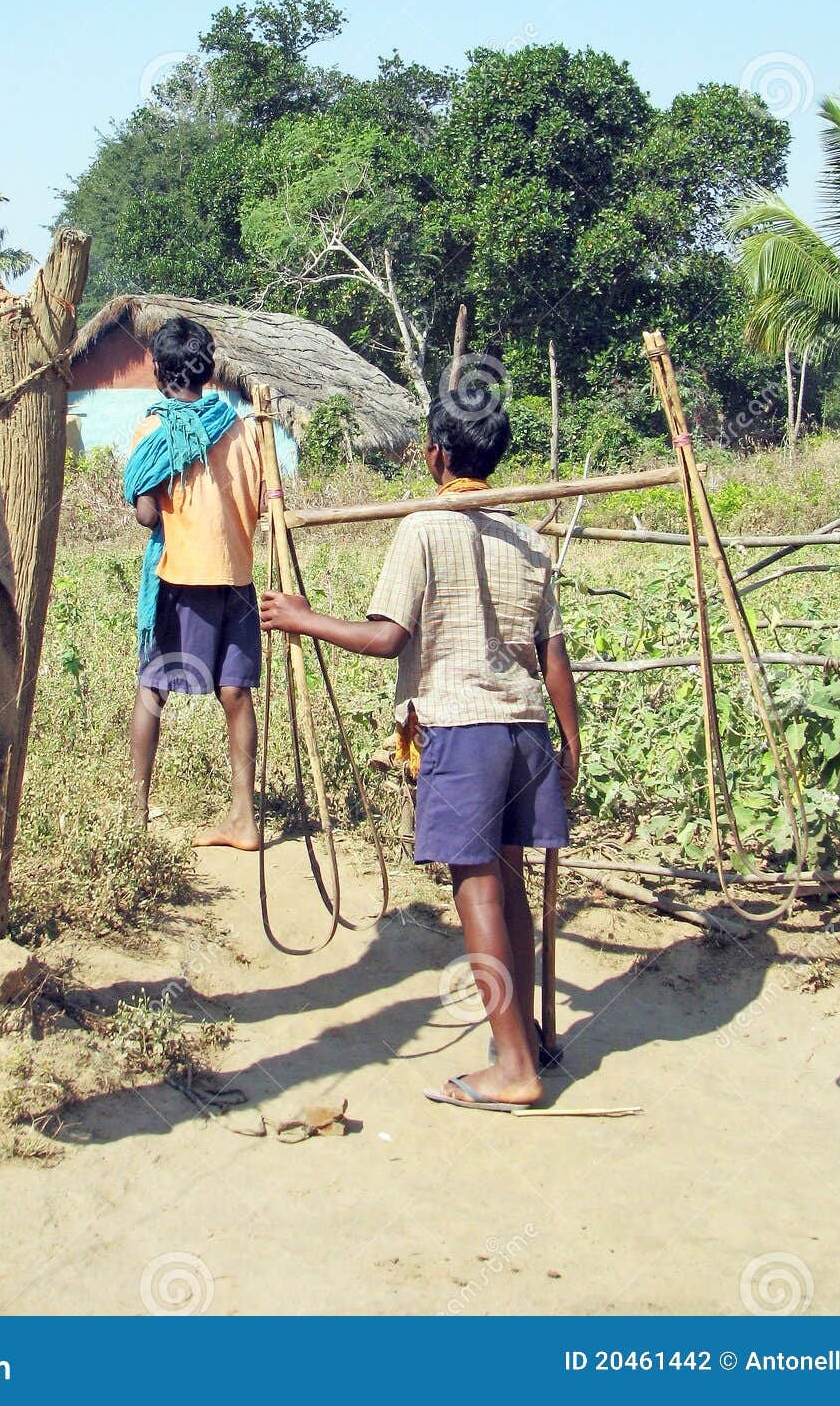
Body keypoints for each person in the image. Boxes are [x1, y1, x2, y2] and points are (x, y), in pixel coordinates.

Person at [260, 385, 580, 1111]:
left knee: (477, 891)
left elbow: (386, 639)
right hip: (526, 727)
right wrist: (571, 738)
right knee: (512, 887)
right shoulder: (527, 537)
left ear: (435, 453)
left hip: (463, 731)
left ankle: (513, 1068)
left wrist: (303, 618)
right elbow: (551, 652)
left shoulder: (424, 527)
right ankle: (523, 1039)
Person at [124, 316, 265, 850]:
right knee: (236, 691)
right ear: (209, 369)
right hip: (236, 578)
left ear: (160, 371)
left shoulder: (156, 430)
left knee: (152, 690)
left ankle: (134, 817)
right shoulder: (242, 428)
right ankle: (244, 818)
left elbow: (144, 515)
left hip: (181, 576)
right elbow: (256, 507)